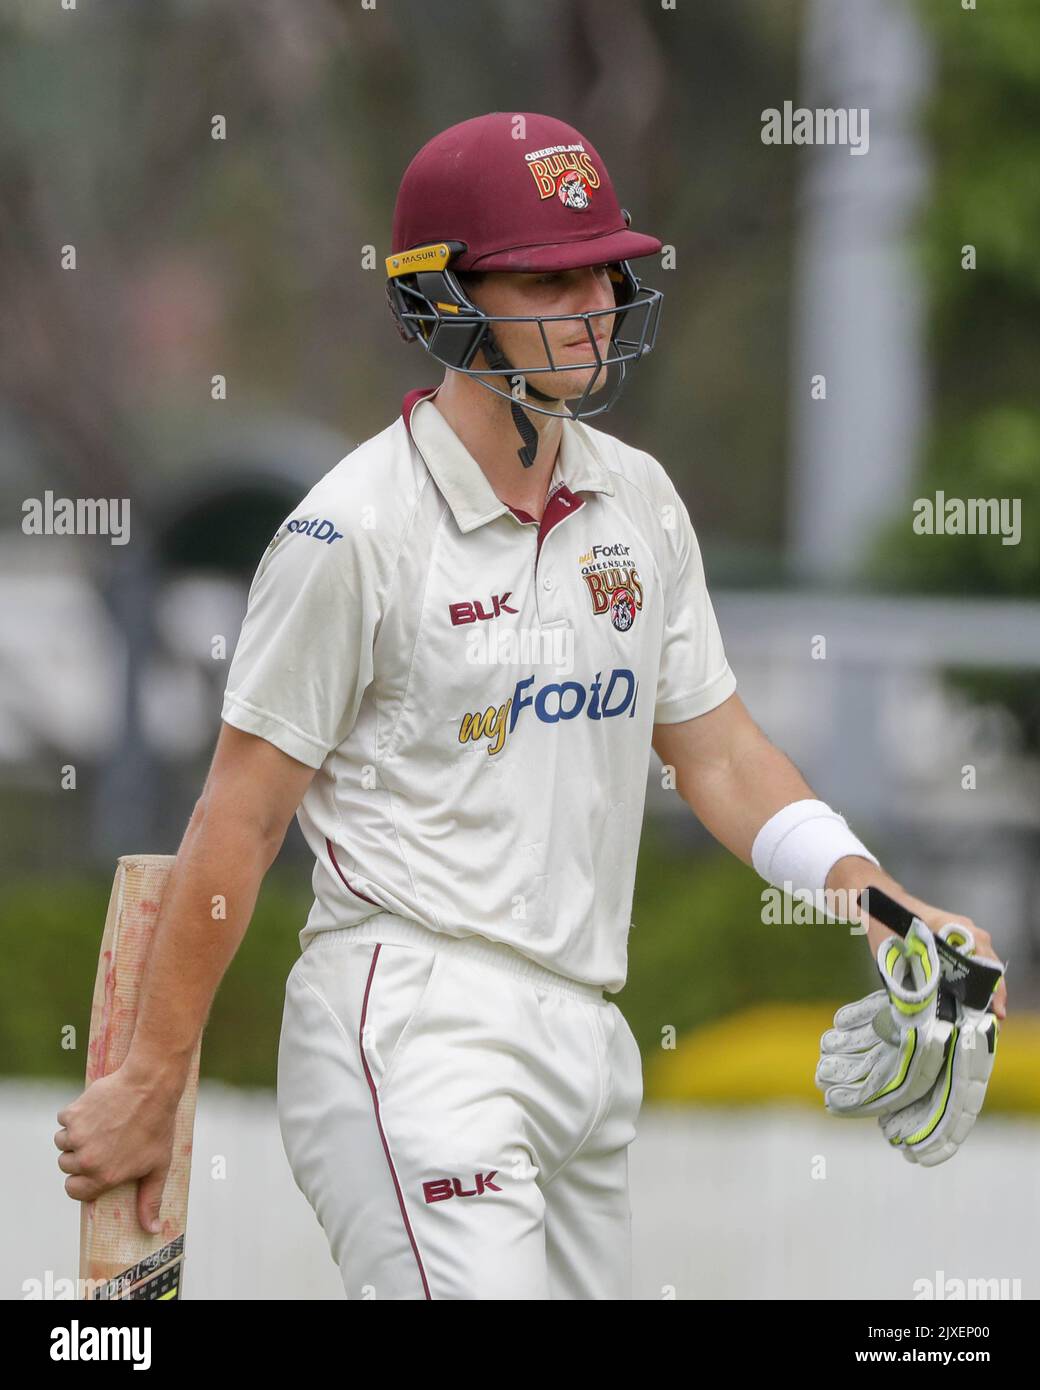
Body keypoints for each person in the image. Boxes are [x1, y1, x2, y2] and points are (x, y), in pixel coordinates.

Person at [56, 111, 1008, 1301]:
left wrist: (882, 904)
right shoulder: (350, 531)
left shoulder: (639, 500)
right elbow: (238, 822)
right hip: (411, 1021)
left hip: (584, 1040)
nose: (595, 299)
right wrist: (153, 1075)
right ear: (442, 298)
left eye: (605, 268)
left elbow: (716, 753)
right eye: (549, 276)